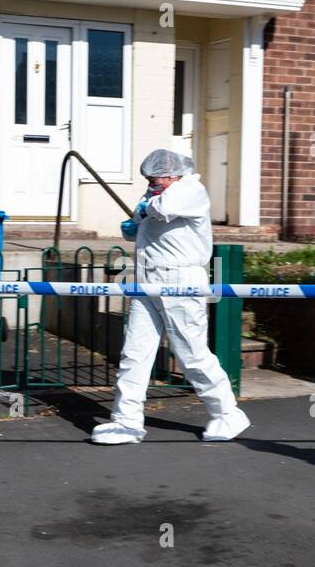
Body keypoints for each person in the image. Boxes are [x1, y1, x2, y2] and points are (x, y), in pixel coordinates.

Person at [91, 150, 251, 445]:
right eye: (149, 181)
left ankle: (227, 412)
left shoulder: (191, 189)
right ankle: (126, 421)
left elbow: (162, 208)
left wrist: (143, 209)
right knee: (135, 354)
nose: (153, 185)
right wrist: (134, 224)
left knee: (191, 355)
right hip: (147, 278)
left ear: (174, 174)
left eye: (156, 180)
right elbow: (144, 226)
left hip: (180, 281)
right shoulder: (158, 193)